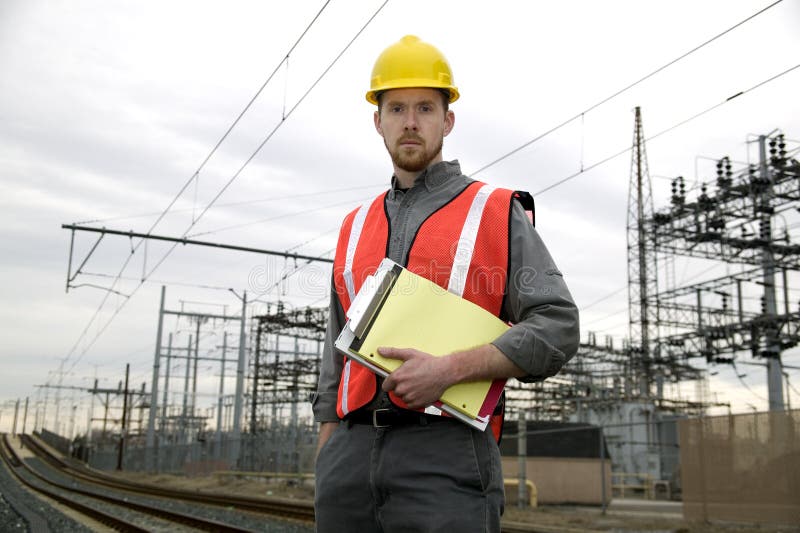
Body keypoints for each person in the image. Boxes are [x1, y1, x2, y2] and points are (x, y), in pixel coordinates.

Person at [311, 35, 579, 533]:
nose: (410, 121)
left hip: (446, 453)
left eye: (424, 108)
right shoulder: (353, 226)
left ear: (447, 120)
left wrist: (450, 369)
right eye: (396, 108)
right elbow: (335, 352)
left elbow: (558, 327)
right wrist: (329, 446)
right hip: (347, 458)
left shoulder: (496, 212)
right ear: (378, 121)